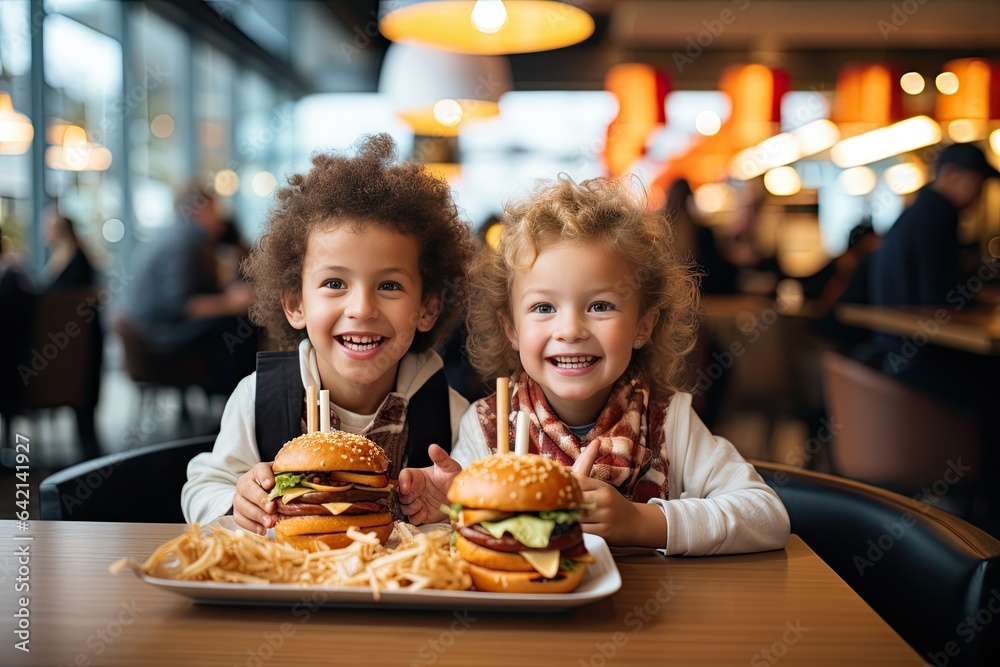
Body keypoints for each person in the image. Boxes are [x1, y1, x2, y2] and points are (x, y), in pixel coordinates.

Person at [399, 175, 790, 555]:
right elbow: (467, 538)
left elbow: (767, 516)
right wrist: (450, 505)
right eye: (544, 307)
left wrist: (639, 523)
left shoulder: (670, 422)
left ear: (642, 325)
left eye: (600, 306)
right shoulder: (489, 426)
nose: (570, 329)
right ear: (511, 330)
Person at [182, 134, 477, 534]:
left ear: (427, 308)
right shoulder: (258, 398)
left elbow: (482, 512)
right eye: (335, 283)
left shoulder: (453, 413)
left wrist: (458, 506)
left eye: (389, 286)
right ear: (294, 304)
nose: (361, 309)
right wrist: (235, 500)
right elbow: (200, 487)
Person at [118, 183, 256, 394]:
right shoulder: (183, 243)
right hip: (157, 338)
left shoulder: (174, 236)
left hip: (146, 331)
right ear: (197, 209)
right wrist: (230, 303)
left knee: (231, 324)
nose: (220, 216)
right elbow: (181, 305)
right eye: (214, 208)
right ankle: (234, 402)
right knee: (240, 325)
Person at [42, 210, 96, 291]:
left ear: (59, 230)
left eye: (48, 228)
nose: (44, 232)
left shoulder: (70, 257)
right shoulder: (71, 252)